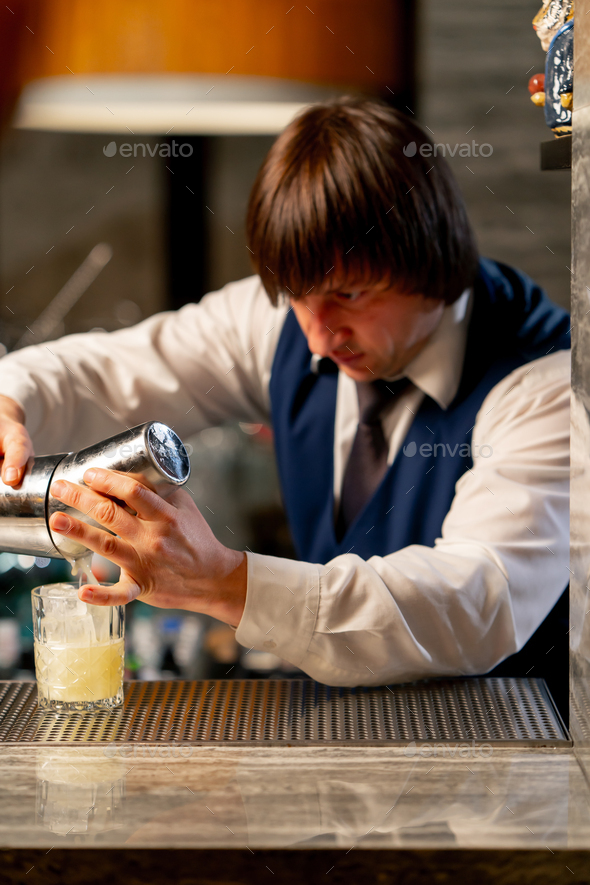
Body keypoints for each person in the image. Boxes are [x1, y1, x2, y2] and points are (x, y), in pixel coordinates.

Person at [0, 98, 570, 700]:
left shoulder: (549, 384)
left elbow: (477, 603)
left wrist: (226, 582)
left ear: (432, 260)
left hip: (513, 737)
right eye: (297, 295)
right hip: (341, 730)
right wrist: (12, 401)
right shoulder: (282, 321)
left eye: (350, 295)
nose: (318, 338)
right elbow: (113, 371)